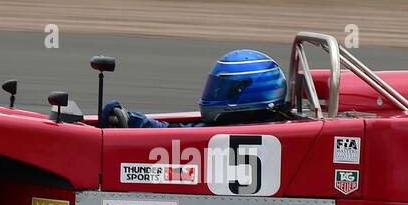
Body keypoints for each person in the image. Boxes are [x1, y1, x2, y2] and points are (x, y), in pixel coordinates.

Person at [101, 49, 291, 128]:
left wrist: (137, 122)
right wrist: (134, 120)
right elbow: (181, 130)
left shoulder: (256, 133)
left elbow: (175, 138)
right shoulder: (230, 128)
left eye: (221, 89)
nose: (214, 93)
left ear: (246, 95)